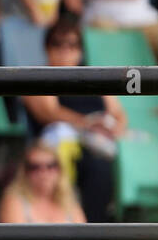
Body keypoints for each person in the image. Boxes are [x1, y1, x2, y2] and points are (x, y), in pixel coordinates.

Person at [22, 17, 125, 222]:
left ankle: (101, 225)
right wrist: (88, 124)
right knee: (95, 166)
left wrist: (113, 128)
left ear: (80, 49)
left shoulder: (96, 78)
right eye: (57, 43)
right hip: (58, 147)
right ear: (46, 48)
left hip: (101, 143)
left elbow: (119, 114)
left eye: (72, 44)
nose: (65, 49)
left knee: (107, 164)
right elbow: (49, 113)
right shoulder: (37, 76)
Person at [0, 141, 86, 224]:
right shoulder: (14, 200)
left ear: (59, 170)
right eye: (35, 167)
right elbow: (16, 237)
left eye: (50, 166)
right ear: (24, 172)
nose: (43, 173)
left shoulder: (69, 201)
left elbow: (84, 235)